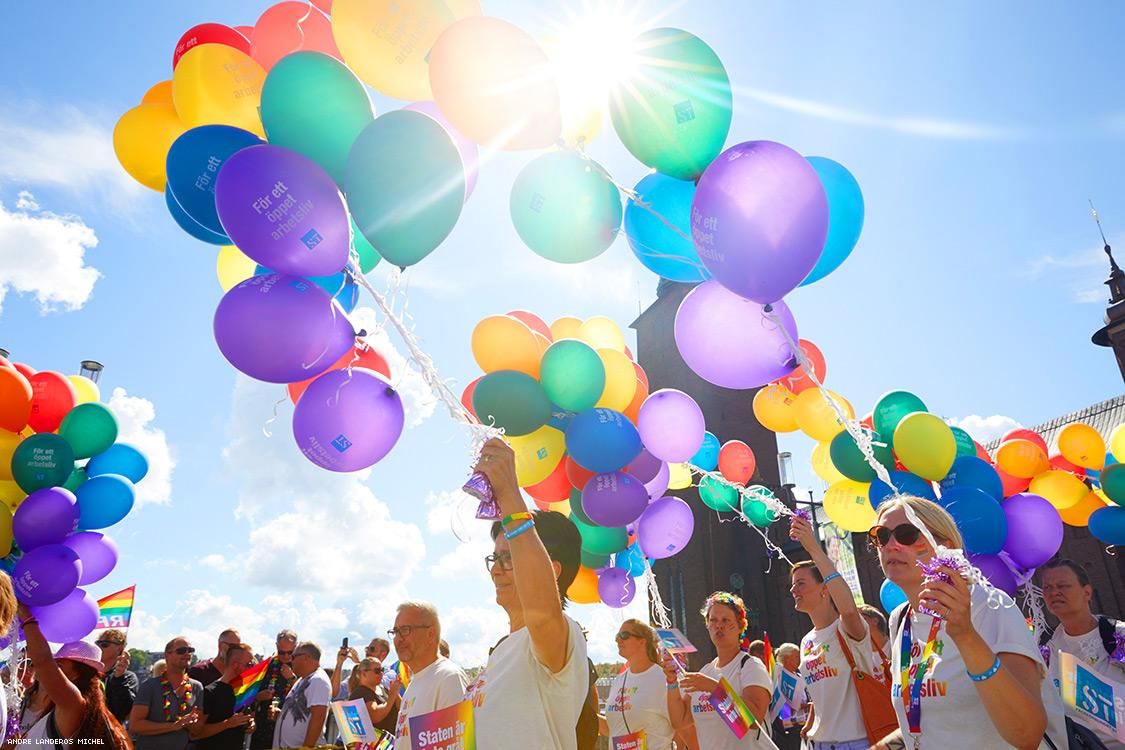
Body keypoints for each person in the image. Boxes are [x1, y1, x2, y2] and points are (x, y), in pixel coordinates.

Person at [871, 495, 1057, 750]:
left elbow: (1028, 735)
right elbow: (933, 721)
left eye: (906, 534)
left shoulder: (989, 606)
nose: (891, 545)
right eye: (882, 536)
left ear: (944, 547)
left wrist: (966, 635)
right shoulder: (900, 620)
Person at [465, 438, 591, 750]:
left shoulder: (562, 633)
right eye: (496, 558)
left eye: (509, 558)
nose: (496, 570)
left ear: (553, 570)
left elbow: (543, 615)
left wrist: (509, 493)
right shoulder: (502, 651)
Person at [789, 515, 884, 750]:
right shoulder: (806, 641)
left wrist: (813, 548)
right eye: (792, 584)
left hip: (857, 743)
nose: (793, 589)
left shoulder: (847, 626)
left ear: (824, 589)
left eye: (800, 583)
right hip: (817, 744)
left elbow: (849, 610)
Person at [1041, 558, 1125, 749]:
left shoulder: (1118, 636)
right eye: (1047, 587)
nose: (1054, 592)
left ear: (1087, 592)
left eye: (1063, 585)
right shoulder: (1047, 651)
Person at [17, 603, 129, 746]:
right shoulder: (63, 706)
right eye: (55, 665)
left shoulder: (73, 703)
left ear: (77, 674)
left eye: (59, 666)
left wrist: (26, 616)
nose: (53, 669)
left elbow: (43, 661)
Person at [677, 591, 778, 750]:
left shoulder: (751, 666)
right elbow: (681, 721)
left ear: (740, 627)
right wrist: (670, 682)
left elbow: (752, 721)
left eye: (726, 620)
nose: (719, 625)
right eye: (713, 620)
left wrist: (714, 688)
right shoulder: (705, 671)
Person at [598, 618, 694, 750]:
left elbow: (684, 729)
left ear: (642, 641)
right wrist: (583, 712)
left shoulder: (664, 678)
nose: (618, 640)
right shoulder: (618, 681)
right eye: (617, 636)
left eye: (624, 636)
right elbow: (613, 729)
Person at [391, 601, 467, 746]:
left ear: (430, 634)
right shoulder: (416, 682)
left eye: (405, 630)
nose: (398, 639)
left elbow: (456, 745)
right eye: (395, 632)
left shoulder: (448, 678)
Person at [130, 637, 203, 750]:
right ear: (167, 655)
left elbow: (197, 730)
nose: (187, 653)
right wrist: (174, 726)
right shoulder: (149, 686)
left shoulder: (197, 687)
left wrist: (190, 723)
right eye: (182, 650)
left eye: (191, 650)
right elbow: (135, 725)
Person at [193, 644, 254, 750]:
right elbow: (195, 734)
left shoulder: (243, 691)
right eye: (249, 664)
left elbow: (245, 720)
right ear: (235, 665)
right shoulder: (210, 692)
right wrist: (227, 724)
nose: (252, 668)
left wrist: (251, 724)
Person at [271, 642, 330, 749]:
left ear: (306, 657)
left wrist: (306, 748)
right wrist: (281, 716)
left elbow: (319, 716)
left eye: (293, 656)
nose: (290, 660)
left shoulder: (318, 680)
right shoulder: (303, 679)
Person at [249, 630, 297, 750]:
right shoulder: (266, 666)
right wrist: (258, 697)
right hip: (263, 728)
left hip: (289, 730)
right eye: (282, 652)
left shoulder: (301, 667)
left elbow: (307, 693)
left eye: (290, 652)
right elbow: (249, 696)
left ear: (296, 647)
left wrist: (291, 678)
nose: (286, 656)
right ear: (276, 646)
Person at [347, 658, 400, 735]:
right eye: (377, 671)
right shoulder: (360, 693)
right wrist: (392, 695)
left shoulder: (383, 689)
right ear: (364, 674)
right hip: (375, 745)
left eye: (382, 670)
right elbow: (375, 716)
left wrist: (396, 693)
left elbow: (402, 709)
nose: (381, 673)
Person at [97, 628, 139, 723]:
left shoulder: (128, 677)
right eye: (97, 643)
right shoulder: (88, 672)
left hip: (108, 733)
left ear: (119, 648)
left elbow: (123, 711)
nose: (99, 647)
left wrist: (119, 678)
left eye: (104, 644)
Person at [858, 604, 893, 683]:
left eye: (860, 618)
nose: (856, 623)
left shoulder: (895, 646)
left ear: (875, 621)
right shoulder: (862, 654)